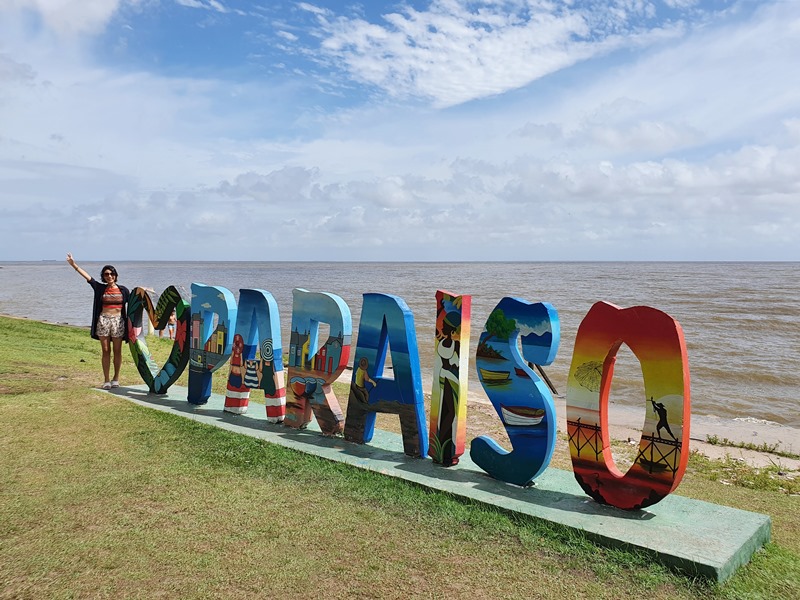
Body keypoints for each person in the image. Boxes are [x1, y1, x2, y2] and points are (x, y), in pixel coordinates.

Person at [66, 253, 130, 389]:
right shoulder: (100, 288)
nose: (109, 276)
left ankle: (116, 379)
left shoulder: (123, 290)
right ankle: (106, 380)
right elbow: (88, 277)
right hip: (103, 321)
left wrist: (146, 290)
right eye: (106, 274)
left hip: (118, 322)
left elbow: (135, 301)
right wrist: (73, 265)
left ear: (116, 275)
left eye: (112, 274)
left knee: (117, 351)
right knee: (106, 350)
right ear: (103, 276)